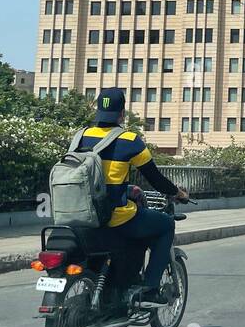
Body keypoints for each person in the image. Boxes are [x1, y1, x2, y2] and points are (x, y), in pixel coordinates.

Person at [75, 87, 188, 308]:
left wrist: (127, 190)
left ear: (97, 110)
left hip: (81, 215)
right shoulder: (130, 140)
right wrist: (177, 193)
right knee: (165, 225)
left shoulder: (80, 136)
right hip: (114, 218)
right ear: (122, 113)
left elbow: (94, 179)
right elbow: (155, 178)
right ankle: (150, 288)